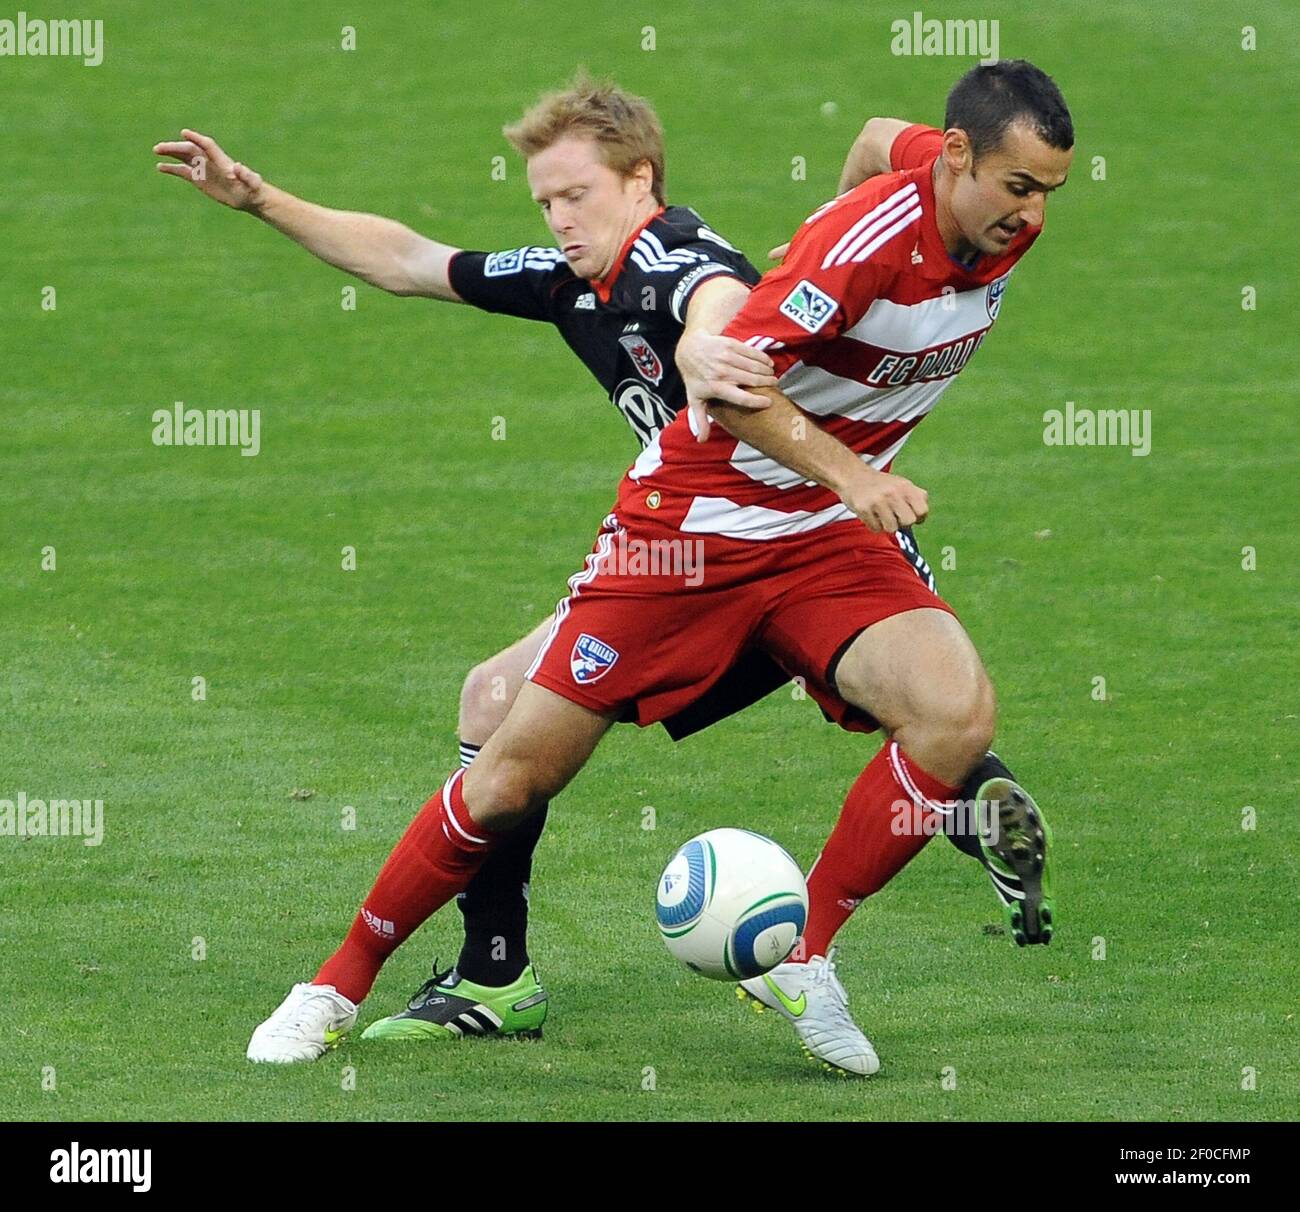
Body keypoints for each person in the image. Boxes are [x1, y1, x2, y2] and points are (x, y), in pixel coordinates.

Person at [242, 59, 1071, 1076]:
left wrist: (802, 410)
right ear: (955, 160)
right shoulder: (593, 275)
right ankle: (333, 987)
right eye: (1017, 188)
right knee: (508, 769)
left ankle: (802, 957)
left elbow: (720, 326)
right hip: (686, 536)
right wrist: (261, 196)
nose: (1030, 215)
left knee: (955, 710)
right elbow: (422, 260)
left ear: (641, 179)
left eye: (573, 193)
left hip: (816, 530)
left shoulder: (695, 270)